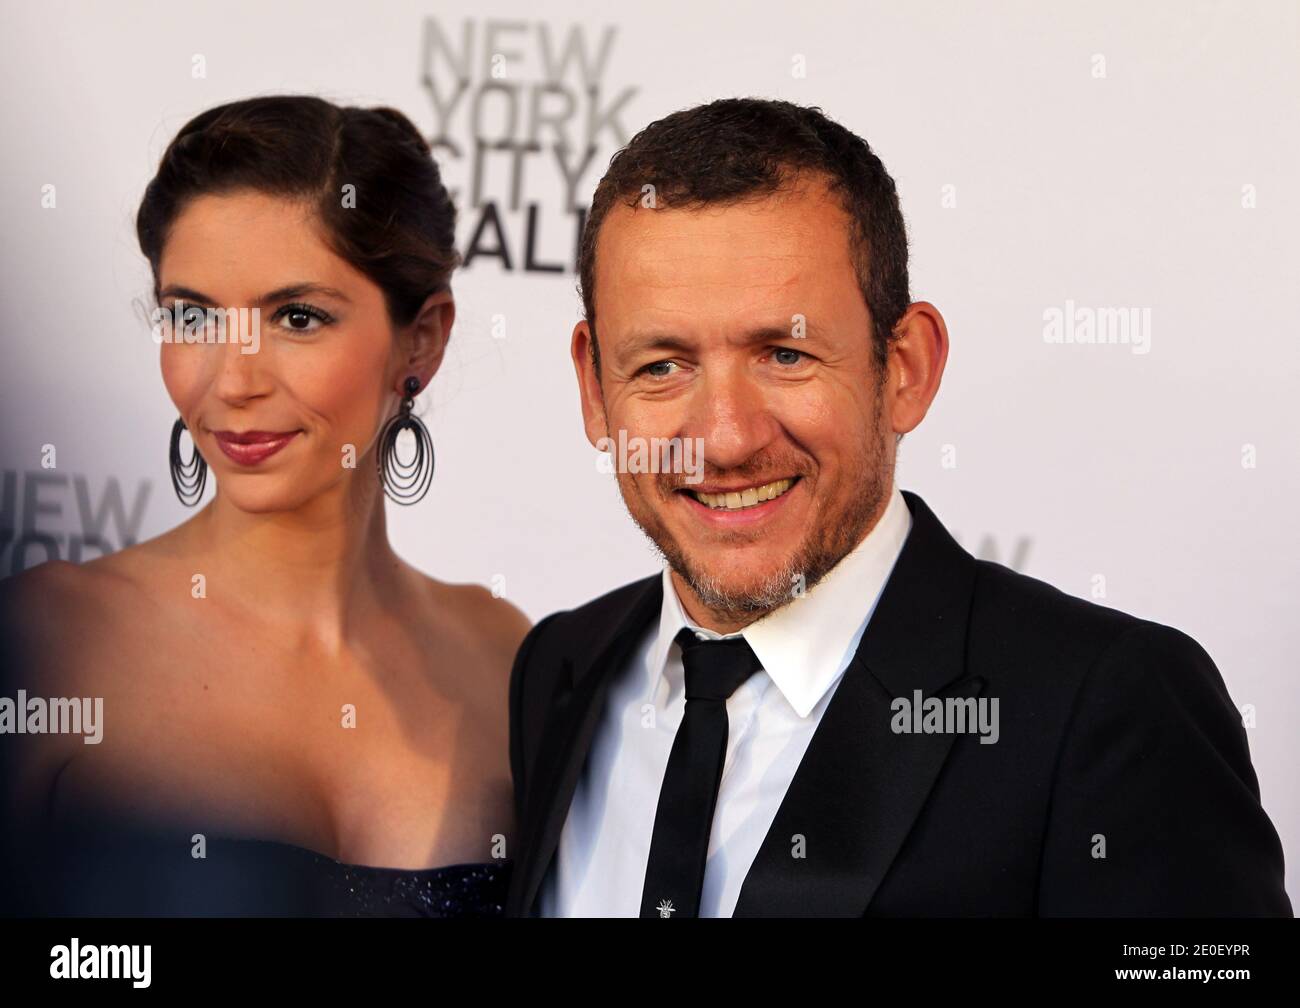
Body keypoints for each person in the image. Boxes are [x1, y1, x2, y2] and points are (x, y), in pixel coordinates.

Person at [505, 97, 1291, 917]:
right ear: (594, 387)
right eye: (663, 365)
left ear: (906, 368)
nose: (726, 438)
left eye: (785, 354)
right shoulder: (559, 672)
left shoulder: (1103, 710)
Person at [0, 95, 529, 916]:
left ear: (420, 338)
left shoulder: (505, 660)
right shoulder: (53, 640)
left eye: (296, 317)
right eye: (193, 316)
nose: (235, 381)